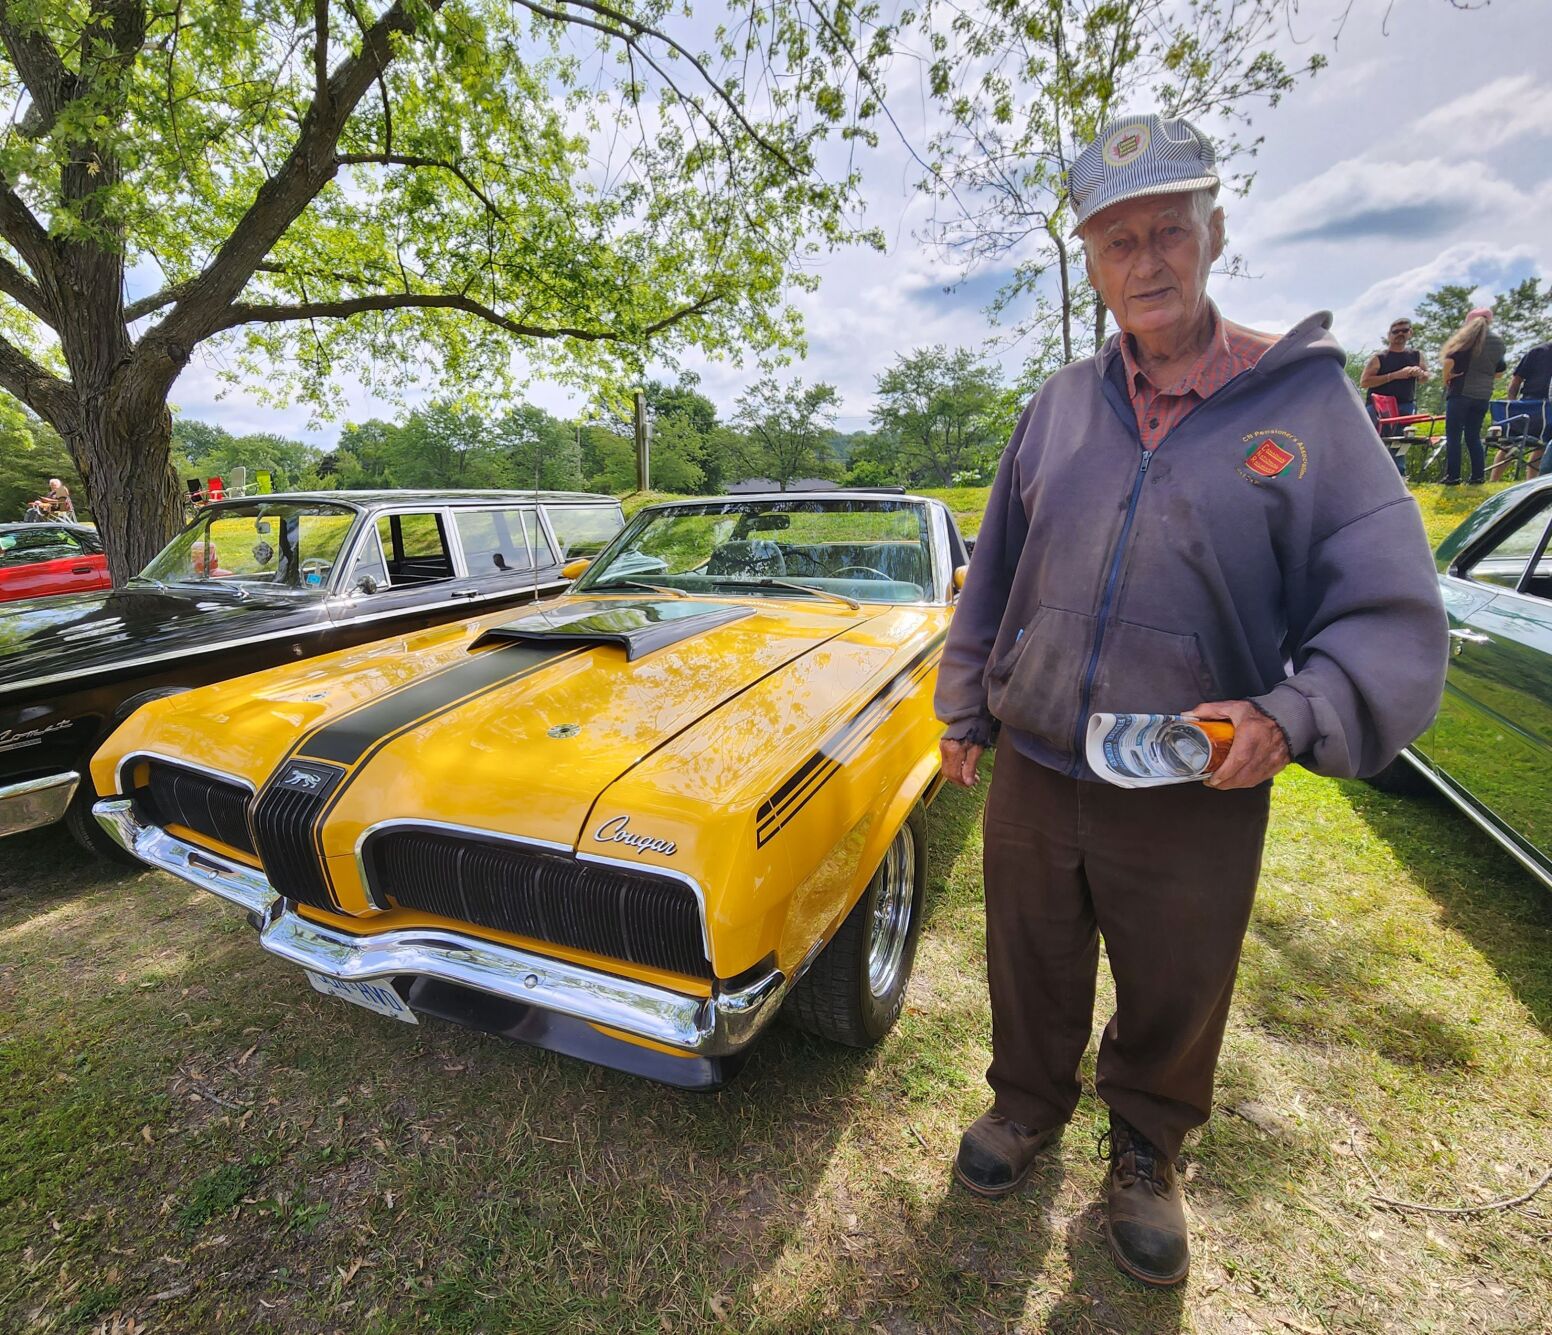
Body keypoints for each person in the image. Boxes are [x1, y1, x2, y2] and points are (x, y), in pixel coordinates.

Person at [934, 112, 1448, 1289]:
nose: (1147, 260)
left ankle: (1148, 1149)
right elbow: (995, 573)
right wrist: (967, 707)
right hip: (1036, 754)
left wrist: (1291, 713)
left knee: (1176, 975)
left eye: (1170, 229)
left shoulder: (1310, 411)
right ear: (1092, 262)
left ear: (1216, 233)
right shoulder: (1058, 405)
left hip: (1191, 773)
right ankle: (1024, 1106)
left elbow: (1384, 613)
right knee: (1029, 954)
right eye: (1118, 241)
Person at [1439, 308, 1506, 485]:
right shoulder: (1497, 343)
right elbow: (1499, 372)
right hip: (1483, 396)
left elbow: (1449, 361)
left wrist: (1447, 377)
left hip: (1460, 393)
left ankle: (1453, 476)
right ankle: (1477, 476)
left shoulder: (1466, 340)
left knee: (1454, 435)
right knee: (1473, 436)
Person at [1359, 318, 1428, 473]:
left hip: (1405, 405)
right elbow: (1364, 382)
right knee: (1374, 440)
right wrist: (1394, 375)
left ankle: (1398, 474)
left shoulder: (1416, 355)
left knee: (1401, 441)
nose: (1400, 334)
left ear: (1410, 332)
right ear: (1389, 335)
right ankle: (1368, 472)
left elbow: (1425, 378)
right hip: (1378, 407)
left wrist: (1420, 373)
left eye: (1404, 330)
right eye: (1396, 331)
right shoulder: (1380, 357)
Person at [1488, 338, 1552, 481]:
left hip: (1549, 409)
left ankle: (1532, 482)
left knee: (1543, 445)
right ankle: (1493, 480)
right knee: (1510, 444)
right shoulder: (1538, 352)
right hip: (1529, 405)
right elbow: (1517, 379)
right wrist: (1512, 403)